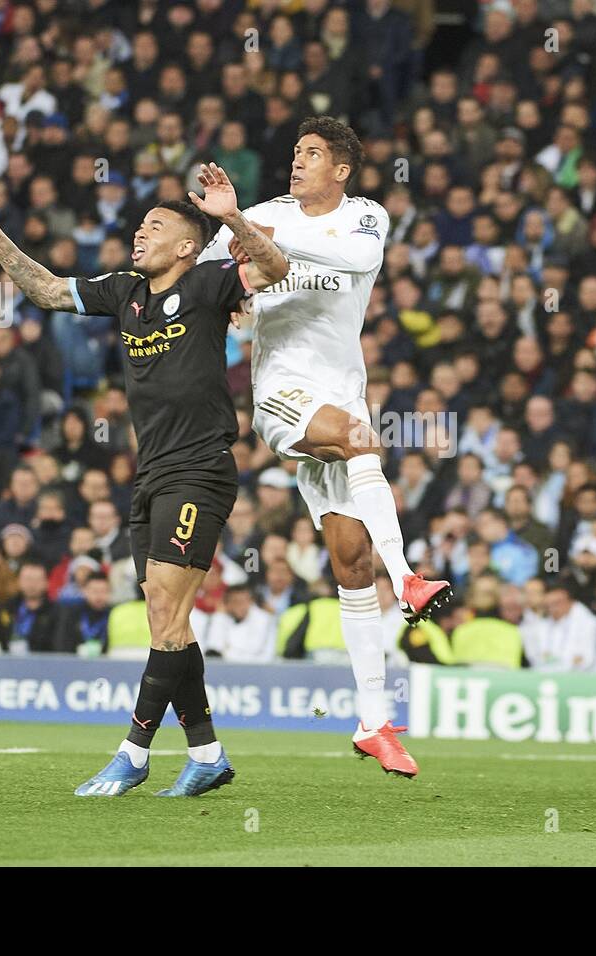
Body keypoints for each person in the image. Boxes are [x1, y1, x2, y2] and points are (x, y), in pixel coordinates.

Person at [0, 163, 289, 797]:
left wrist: (230, 217)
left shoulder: (208, 283)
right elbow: (49, 291)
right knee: (167, 620)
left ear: (186, 246)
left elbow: (274, 269)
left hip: (199, 470)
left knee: (167, 609)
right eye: (141, 224)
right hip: (151, 473)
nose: (141, 233)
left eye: (157, 226)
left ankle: (133, 753)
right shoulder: (123, 290)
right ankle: (207, 754)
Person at [198, 116, 451, 777]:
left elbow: (357, 262)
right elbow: (206, 263)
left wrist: (255, 239)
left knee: (350, 559)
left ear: (341, 170)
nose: (297, 162)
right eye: (295, 152)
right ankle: (412, 581)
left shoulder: (365, 217)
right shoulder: (264, 212)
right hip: (283, 392)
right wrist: (228, 275)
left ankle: (374, 723)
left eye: (312, 154)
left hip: (342, 392)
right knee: (362, 439)